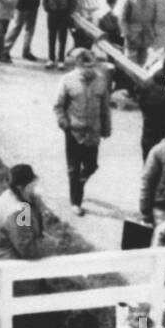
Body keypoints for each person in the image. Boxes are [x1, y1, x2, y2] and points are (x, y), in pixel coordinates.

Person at [54, 49, 112, 217]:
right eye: (85, 67)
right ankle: (76, 202)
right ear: (78, 66)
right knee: (73, 168)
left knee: (91, 165)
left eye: (91, 66)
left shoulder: (101, 81)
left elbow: (105, 108)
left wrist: (106, 128)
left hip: (93, 131)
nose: (88, 71)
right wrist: (64, 122)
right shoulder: (67, 81)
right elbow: (58, 105)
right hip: (74, 131)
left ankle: (79, 184)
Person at [0, 164, 46, 261]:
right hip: (9, 262)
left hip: (11, 256)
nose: (35, 188)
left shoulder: (10, 194)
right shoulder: (20, 212)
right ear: (20, 187)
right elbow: (27, 249)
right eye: (32, 185)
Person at [41, 0, 79, 69]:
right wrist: (46, 7)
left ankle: (61, 59)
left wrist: (69, 11)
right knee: (51, 35)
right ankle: (51, 58)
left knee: (62, 36)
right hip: (52, 12)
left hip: (63, 13)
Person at [121, 0, 158, 67]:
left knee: (143, 61)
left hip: (146, 35)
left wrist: (153, 31)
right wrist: (126, 33)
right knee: (130, 62)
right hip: (133, 35)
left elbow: (154, 15)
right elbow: (123, 18)